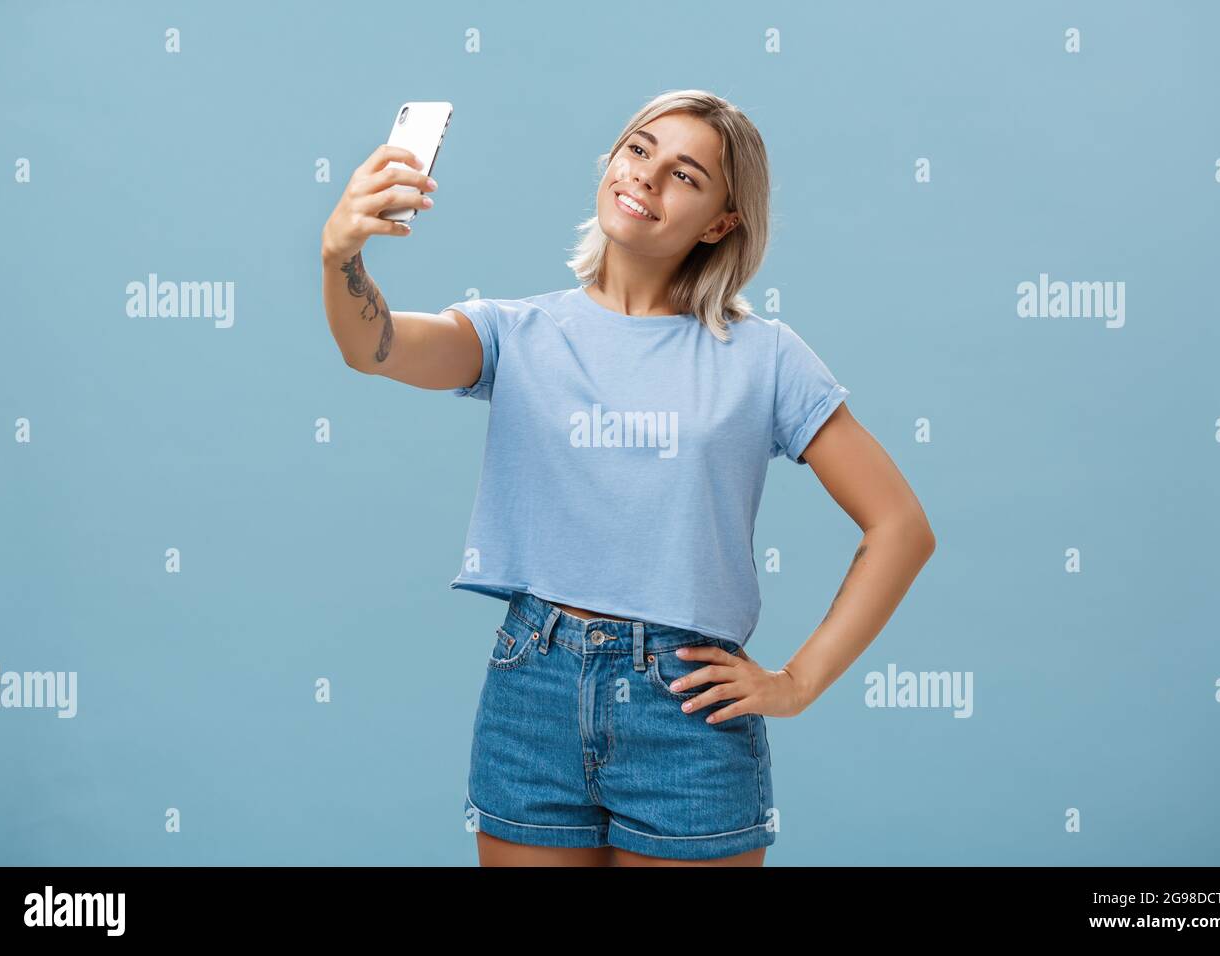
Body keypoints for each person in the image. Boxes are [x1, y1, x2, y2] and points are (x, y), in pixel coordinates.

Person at [320, 90, 936, 867]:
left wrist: (796, 683)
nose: (646, 177)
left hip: (685, 708)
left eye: (685, 174)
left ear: (721, 222)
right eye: (639, 150)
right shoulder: (518, 332)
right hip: (532, 690)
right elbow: (373, 347)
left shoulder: (765, 357)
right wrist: (341, 255)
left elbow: (901, 527)